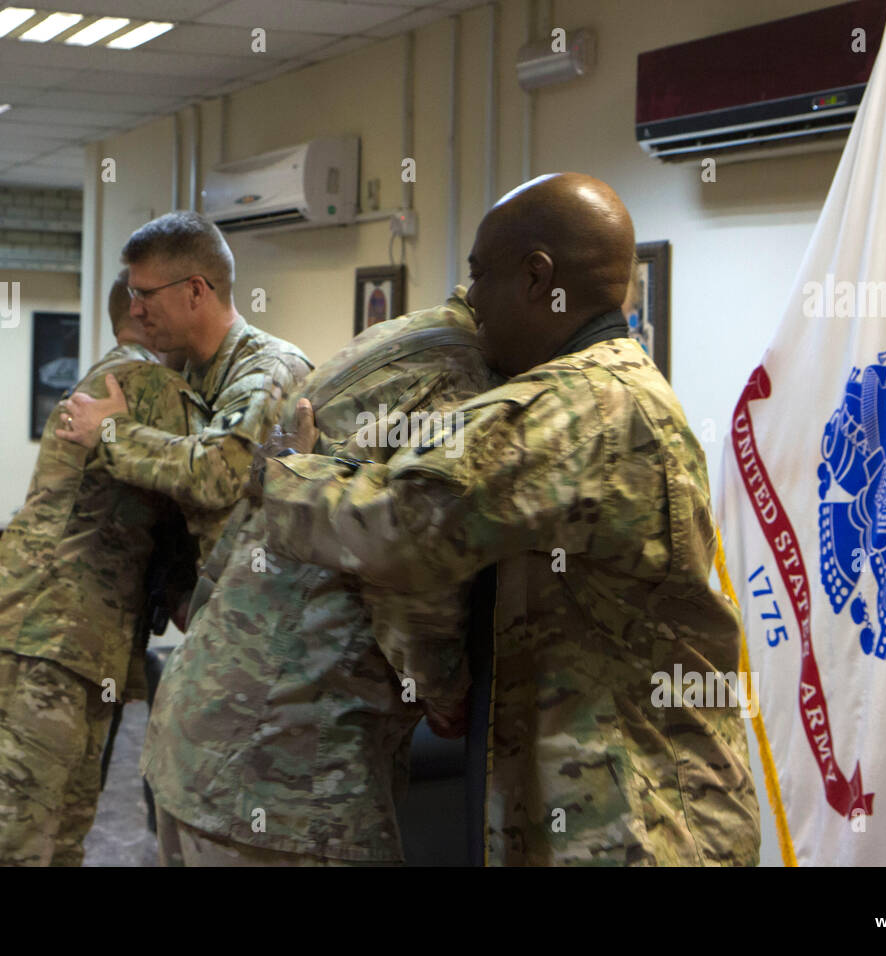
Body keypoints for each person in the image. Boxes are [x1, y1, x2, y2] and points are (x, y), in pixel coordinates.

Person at [263, 173, 761, 866]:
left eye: (479, 275)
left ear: (537, 278)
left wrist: (292, 472)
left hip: (639, 826)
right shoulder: (619, 387)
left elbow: (406, 530)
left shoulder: (583, 406)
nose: (469, 299)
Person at [144, 291, 502, 866]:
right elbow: (406, 571)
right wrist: (446, 691)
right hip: (289, 770)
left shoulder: (391, 343)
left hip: (208, 728)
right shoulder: (462, 380)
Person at [0, 270, 199, 867]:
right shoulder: (142, 381)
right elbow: (213, 482)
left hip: (71, 645)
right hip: (43, 643)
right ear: (145, 311)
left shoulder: (128, 380)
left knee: (51, 844)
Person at [54, 210, 312, 565]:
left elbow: (217, 474)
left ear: (194, 290)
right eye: (132, 293)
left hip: (265, 599)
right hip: (215, 592)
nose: (135, 311)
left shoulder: (268, 370)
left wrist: (112, 434)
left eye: (145, 294)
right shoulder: (188, 370)